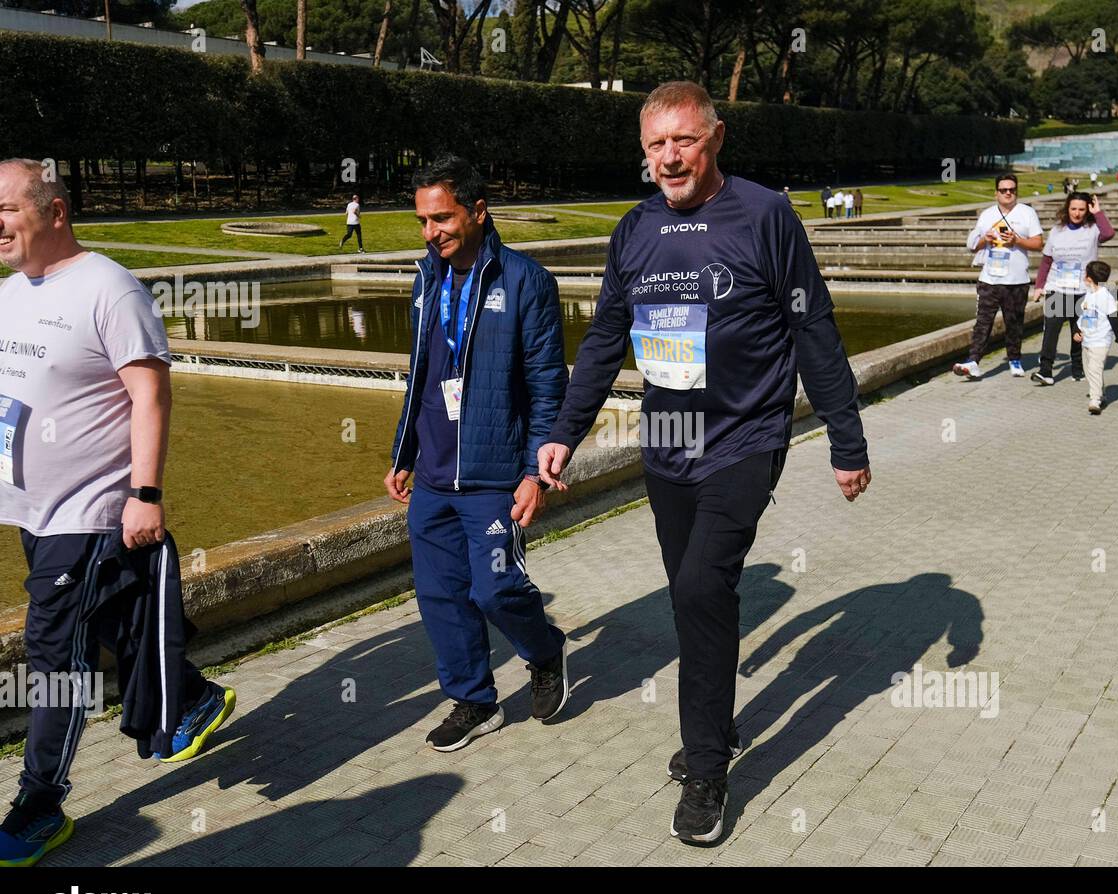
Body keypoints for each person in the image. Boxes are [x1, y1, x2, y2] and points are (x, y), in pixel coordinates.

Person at [536, 81, 870, 846]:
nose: (670, 157)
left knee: (698, 586)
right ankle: (715, 721)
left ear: (716, 138)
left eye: (684, 140)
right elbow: (604, 339)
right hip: (669, 440)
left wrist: (846, 441)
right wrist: (565, 431)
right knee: (697, 600)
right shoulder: (635, 229)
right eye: (656, 144)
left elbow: (813, 328)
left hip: (745, 440)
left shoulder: (765, 214)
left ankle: (707, 767)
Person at [0, 158, 236, 867]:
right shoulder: (13, 290)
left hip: (88, 509)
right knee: (107, 619)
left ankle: (41, 800)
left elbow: (151, 396)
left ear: (55, 211)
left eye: (6, 209)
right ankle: (190, 698)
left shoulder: (110, 289)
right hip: (31, 509)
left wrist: (145, 494)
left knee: (53, 654)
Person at [384, 155, 570, 752]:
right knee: (441, 597)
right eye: (422, 220)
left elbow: (548, 386)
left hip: (495, 475)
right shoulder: (426, 280)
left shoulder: (525, 281)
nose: (430, 232)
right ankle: (474, 700)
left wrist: (534, 473)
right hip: (434, 474)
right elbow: (419, 374)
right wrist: (404, 451)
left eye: (441, 218)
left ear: (478, 211)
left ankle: (545, 650)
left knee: (495, 590)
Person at [953, 172, 1044, 379]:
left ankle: (1014, 359)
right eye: (1003, 190)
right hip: (989, 278)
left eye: (1012, 190)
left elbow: (1038, 244)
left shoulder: (1027, 213)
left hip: (1017, 280)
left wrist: (1016, 241)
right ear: (996, 193)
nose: (1008, 193)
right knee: (983, 322)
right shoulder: (987, 215)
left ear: (1017, 191)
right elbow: (974, 246)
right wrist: (985, 239)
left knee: (1014, 323)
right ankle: (973, 361)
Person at [1030, 191, 1114, 386]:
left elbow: (1109, 233)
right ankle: (1045, 371)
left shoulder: (1093, 229)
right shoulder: (1056, 230)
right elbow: (1046, 260)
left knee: (1079, 331)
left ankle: (1077, 367)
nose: (1077, 213)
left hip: (1083, 290)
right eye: (1073, 209)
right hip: (1057, 288)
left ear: (1087, 210)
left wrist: (1098, 212)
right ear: (1067, 209)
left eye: (1081, 210)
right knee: (1051, 330)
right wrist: (1039, 286)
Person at [1073, 260, 1118, 414]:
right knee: (1089, 370)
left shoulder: (1105, 296)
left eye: (1085, 274)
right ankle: (1101, 394)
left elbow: (1114, 317)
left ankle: (1095, 399)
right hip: (1087, 340)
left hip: (1101, 341)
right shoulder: (1089, 294)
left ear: (1089, 278)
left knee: (1094, 369)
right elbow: (1083, 315)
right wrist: (1077, 330)